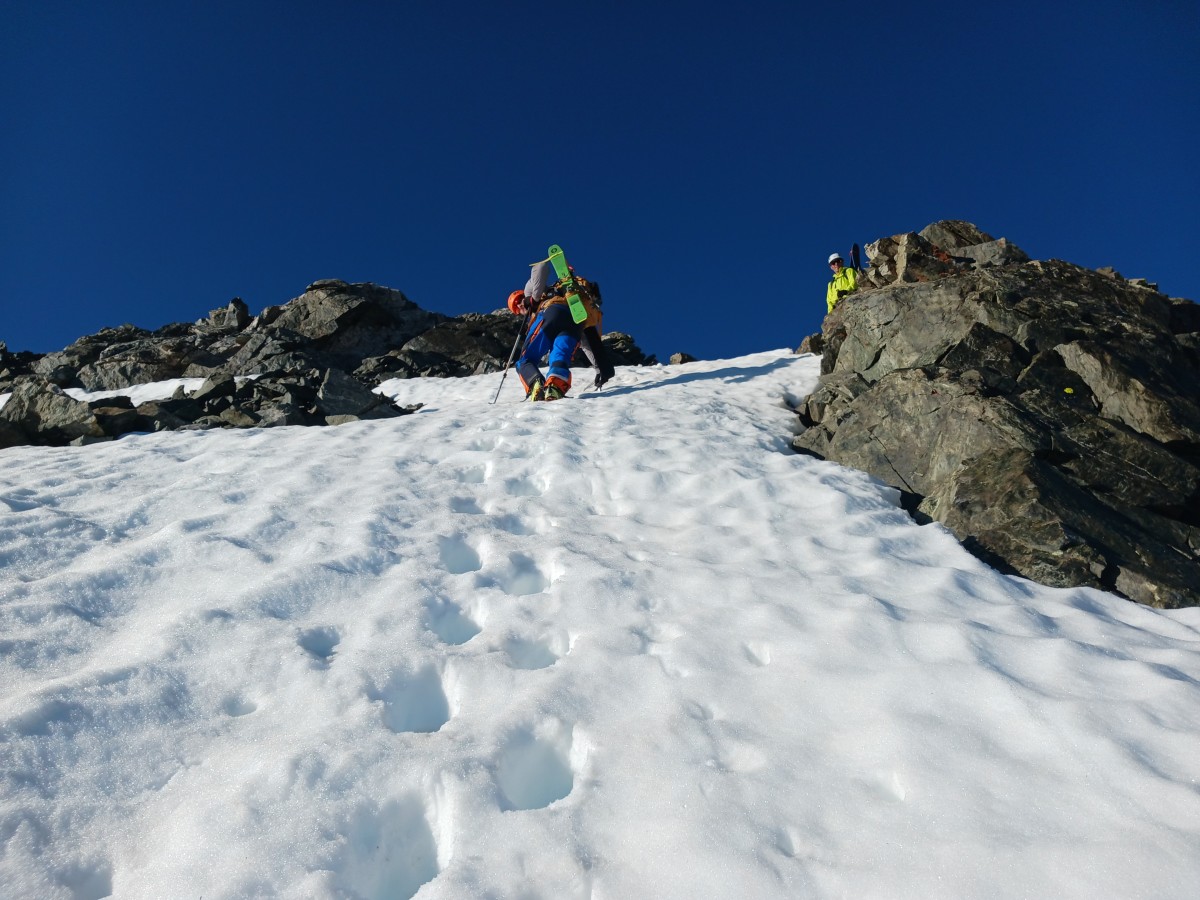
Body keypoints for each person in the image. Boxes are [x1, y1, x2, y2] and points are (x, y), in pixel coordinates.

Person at [507, 258, 613, 401]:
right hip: (574, 320)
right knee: (559, 355)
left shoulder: (530, 295)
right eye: (516, 308)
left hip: (551, 313)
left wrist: (533, 298)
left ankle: (535, 383)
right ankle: (554, 387)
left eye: (518, 301)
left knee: (525, 360)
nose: (519, 305)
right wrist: (599, 368)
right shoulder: (561, 293)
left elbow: (540, 266)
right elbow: (586, 342)